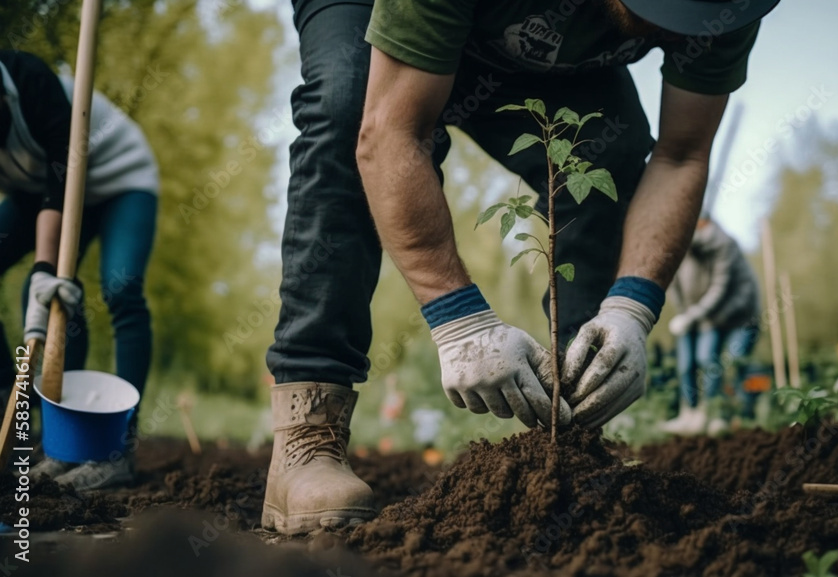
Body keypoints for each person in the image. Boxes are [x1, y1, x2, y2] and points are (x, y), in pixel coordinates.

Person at [263, 0, 780, 534]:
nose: (668, 28)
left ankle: (573, 437)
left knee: (604, 151)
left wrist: (632, 306)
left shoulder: (728, 7)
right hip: (378, 12)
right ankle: (308, 432)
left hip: (526, 44)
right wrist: (458, 318)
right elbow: (391, 133)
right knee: (349, 106)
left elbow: (681, 155)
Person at [0, 50, 159, 489]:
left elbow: (61, 183)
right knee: (44, 293)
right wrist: (45, 277)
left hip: (117, 180)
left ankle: (117, 449)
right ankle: (35, 423)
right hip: (38, 192)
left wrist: (45, 269)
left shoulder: (30, 82)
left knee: (120, 286)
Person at [660, 216, 760, 436]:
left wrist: (697, 315)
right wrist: (686, 313)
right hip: (705, 315)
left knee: (730, 362)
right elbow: (676, 285)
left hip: (737, 317)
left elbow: (719, 288)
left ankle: (728, 416)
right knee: (690, 363)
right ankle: (693, 414)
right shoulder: (685, 249)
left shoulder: (722, 246)